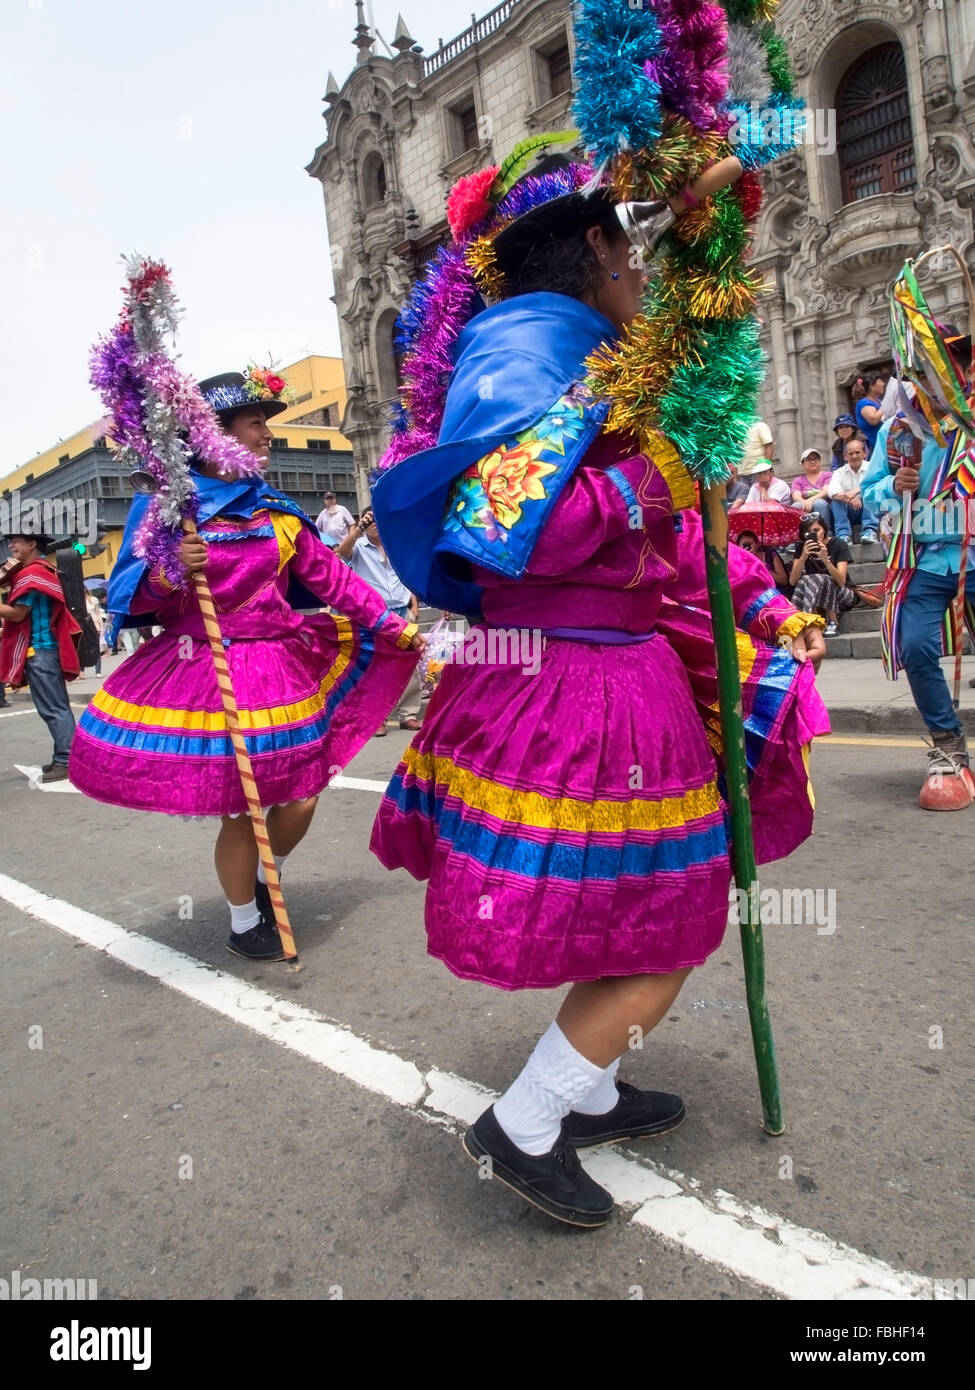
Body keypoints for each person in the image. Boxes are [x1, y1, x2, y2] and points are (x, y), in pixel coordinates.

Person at [368, 153, 826, 1229]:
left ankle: (596, 1090)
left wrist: (763, 608)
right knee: (669, 930)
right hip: (572, 683)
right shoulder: (521, 362)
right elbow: (509, 540)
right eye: (630, 246)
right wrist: (650, 475)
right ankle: (526, 1123)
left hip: (622, 671)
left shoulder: (609, 365)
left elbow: (674, 555)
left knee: (641, 916)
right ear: (595, 253)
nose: (644, 267)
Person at [70, 369, 423, 961]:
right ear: (214, 435)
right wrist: (169, 568)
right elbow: (133, 596)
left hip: (281, 671)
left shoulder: (276, 513)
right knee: (243, 808)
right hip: (206, 671)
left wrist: (399, 627)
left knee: (303, 795)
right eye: (256, 422)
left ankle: (266, 874)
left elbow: (335, 581)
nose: (268, 433)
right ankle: (242, 921)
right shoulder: (167, 513)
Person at [861, 323, 975, 809]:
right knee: (915, 645)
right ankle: (948, 748)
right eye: (925, 365)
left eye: (947, 362)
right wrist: (895, 487)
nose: (936, 374)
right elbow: (868, 495)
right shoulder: (896, 430)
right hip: (925, 559)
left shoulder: (970, 420)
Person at [0, 528, 82, 781]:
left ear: (32, 544)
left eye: (16, 543)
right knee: (53, 705)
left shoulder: (33, 573)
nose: (12, 547)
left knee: (53, 707)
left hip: (41, 648)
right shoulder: (37, 571)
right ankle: (66, 755)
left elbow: (18, 614)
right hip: (43, 648)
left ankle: (67, 759)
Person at [336, 506, 422, 734]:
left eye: (376, 519)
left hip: (402, 612)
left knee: (408, 663)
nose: (374, 523)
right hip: (374, 615)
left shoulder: (394, 546)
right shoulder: (359, 548)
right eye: (369, 520)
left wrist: (414, 604)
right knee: (374, 666)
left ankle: (409, 714)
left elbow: (405, 575)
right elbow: (341, 552)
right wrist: (358, 529)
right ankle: (377, 718)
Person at [787, 514, 855, 637]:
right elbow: (792, 581)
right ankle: (816, 621)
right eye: (808, 532)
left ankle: (826, 621)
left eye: (817, 530)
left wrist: (826, 560)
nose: (814, 534)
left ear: (824, 529)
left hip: (843, 595)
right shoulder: (802, 548)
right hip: (815, 596)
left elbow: (841, 581)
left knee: (823, 578)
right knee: (805, 580)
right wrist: (803, 557)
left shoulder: (838, 544)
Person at [828, 436, 879, 543]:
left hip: (870, 509)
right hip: (849, 510)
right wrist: (849, 499)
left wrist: (856, 491)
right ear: (845, 456)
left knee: (869, 493)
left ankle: (870, 531)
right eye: (850, 454)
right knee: (836, 500)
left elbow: (876, 483)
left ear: (865, 454)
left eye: (857, 452)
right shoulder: (839, 472)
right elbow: (832, 491)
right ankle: (843, 535)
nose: (854, 456)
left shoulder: (872, 467)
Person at [790, 448, 832, 526]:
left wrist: (810, 501)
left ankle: (826, 533)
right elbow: (796, 496)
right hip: (806, 507)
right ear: (803, 463)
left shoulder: (828, 475)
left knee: (819, 503)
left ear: (820, 461)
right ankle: (799, 535)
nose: (813, 461)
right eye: (809, 459)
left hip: (825, 508)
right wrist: (805, 502)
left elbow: (826, 491)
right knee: (796, 506)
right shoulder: (798, 480)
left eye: (816, 459)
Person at [852, 371, 887, 453]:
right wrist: (886, 403)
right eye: (880, 381)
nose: (883, 384)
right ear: (871, 386)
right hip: (877, 448)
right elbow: (873, 419)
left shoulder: (878, 401)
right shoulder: (864, 403)